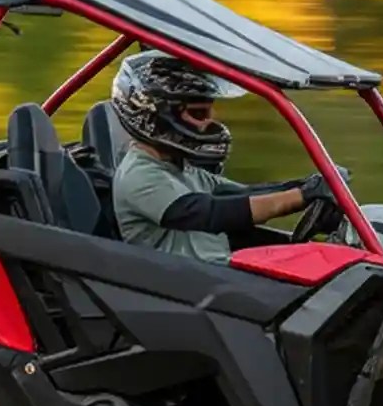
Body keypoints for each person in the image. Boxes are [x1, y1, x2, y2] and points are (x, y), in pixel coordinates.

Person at [110, 50, 346, 264]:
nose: (210, 122)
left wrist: (309, 187)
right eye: (199, 113)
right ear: (157, 116)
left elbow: (243, 195)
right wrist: (300, 196)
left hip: (218, 279)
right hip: (190, 291)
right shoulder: (140, 176)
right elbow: (210, 214)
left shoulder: (179, 168)